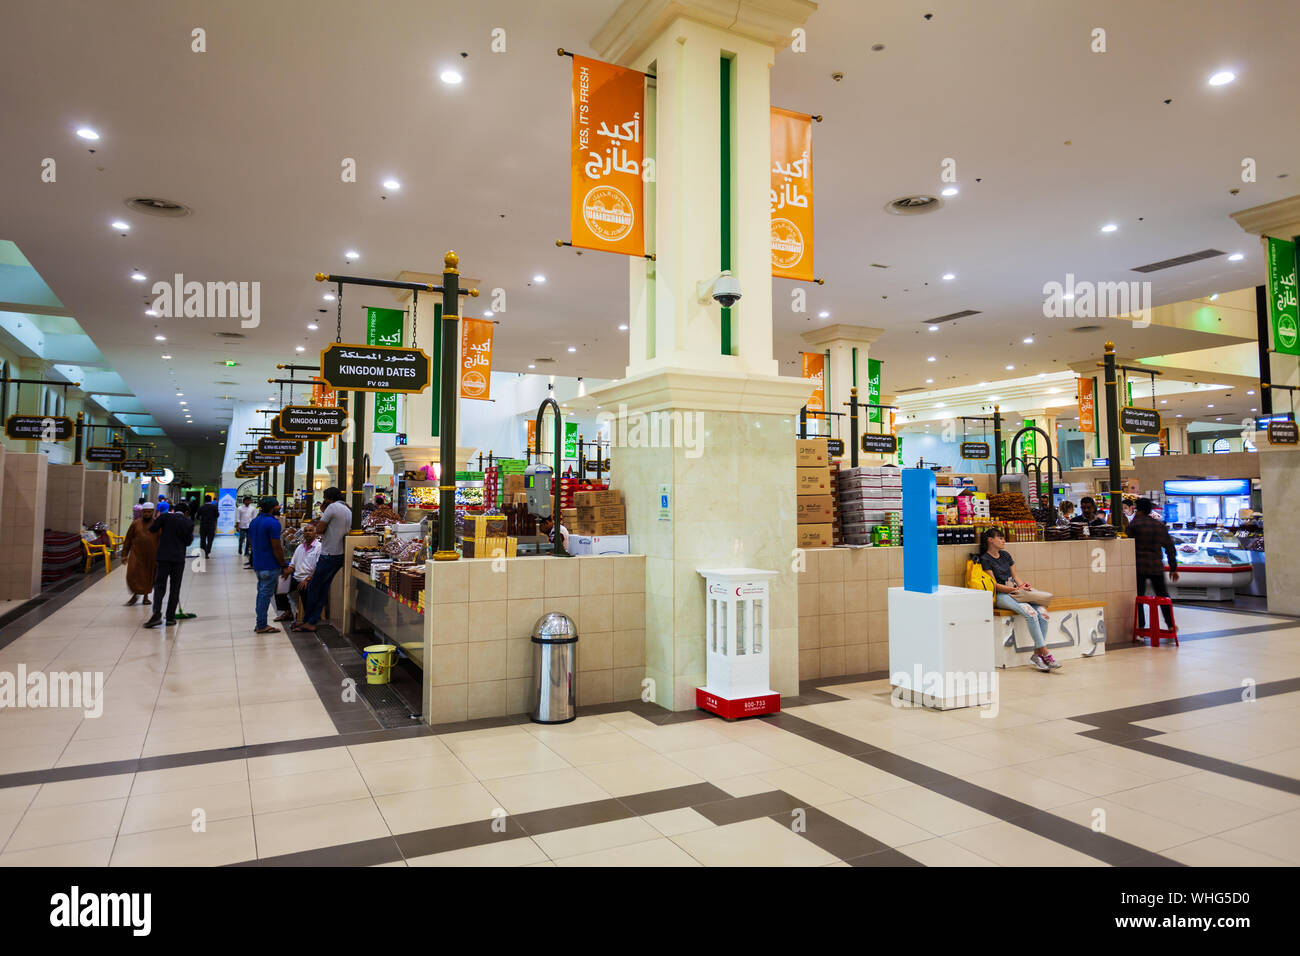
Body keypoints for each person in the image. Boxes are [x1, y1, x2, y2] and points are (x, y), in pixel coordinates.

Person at [978, 527, 1060, 671]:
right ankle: (1045, 652)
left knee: (1043, 613)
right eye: (1000, 538)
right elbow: (994, 585)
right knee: (1031, 613)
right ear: (990, 540)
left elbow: (1014, 577)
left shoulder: (1005, 555)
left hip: (1015, 592)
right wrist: (1013, 590)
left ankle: (1036, 654)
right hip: (1001, 595)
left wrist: (1022, 586)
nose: (1004, 541)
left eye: (1003, 538)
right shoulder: (985, 559)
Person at [293, 487, 351, 632]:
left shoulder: (332, 507)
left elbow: (319, 529)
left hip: (329, 553)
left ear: (327, 498)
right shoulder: (347, 509)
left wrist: (323, 511)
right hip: (339, 553)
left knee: (313, 587)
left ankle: (309, 621)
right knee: (323, 588)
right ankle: (310, 620)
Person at [1127, 497, 1180, 632]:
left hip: (1138, 567)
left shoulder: (1134, 525)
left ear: (1138, 510)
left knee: (1139, 596)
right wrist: (1173, 568)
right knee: (1163, 595)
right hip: (1156, 565)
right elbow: (1169, 547)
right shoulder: (1159, 525)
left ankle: (1141, 627)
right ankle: (1170, 625)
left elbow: (1126, 545)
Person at [145, 501, 194, 628]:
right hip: (178, 559)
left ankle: (156, 614)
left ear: (173, 510)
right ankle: (171, 618)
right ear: (187, 512)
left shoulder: (165, 517)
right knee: (175, 587)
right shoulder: (188, 522)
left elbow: (152, 529)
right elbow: (188, 542)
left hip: (163, 557)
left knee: (160, 586)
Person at [247, 496, 291, 634]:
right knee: (265, 595)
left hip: (258, 563)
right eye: (278, 506)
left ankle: (260, 623)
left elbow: (251, 542)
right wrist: (283, 564)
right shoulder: (273, 524)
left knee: (261, 594)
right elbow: (276, 547)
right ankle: (261, 625)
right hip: (270, 564)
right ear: (273, 508)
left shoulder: (254, 522)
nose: (280, 507)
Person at [275, 525, 321, 622]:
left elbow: (318, 568)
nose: (308, 533)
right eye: (306, 531)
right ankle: (287, 612)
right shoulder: (300, 547)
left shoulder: (319, 547)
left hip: (310, 580)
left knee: (304, 590)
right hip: (296, 578)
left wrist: (307, 579)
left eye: (310, 531)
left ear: (315, 534)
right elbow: (292, 566)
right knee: (279, 586)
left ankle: (308, 619)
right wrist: (285, 573)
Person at [121, 503, 158, 606]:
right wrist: (124, 554)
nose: (147, 514)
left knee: (148, 576)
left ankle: (145, 597)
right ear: (142, 512)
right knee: (133, 574)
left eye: (149, 512)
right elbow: (128, 539)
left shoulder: (157, 523)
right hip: (136, 554)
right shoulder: (135, 524)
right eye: (145, 511)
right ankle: (135, 595)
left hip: (151, 555)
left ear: (153, 511)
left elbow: (161, 539)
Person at [196, 494, 220, 558]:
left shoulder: (201, 507)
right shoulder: (214, 507)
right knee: (210, 540)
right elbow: (217, 515)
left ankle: (204, 552)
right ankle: (208, 551)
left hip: (203, 525)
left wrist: (201, 519)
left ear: (204, 500)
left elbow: (197, 516)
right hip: (211, 525)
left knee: (203, 539)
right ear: (211, 499)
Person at [236, 496, 257, 560]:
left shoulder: (252, 508)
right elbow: (238, 518)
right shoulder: (240, 508)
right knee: (241, 539)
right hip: (242, 526)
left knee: (249, 540)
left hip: (249, 526)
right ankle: (240, 548)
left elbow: (253, 518)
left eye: (249, 500)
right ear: (244, 501)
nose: (248, 502)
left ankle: (246, 551)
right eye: (246, 500)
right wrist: (237, 526)